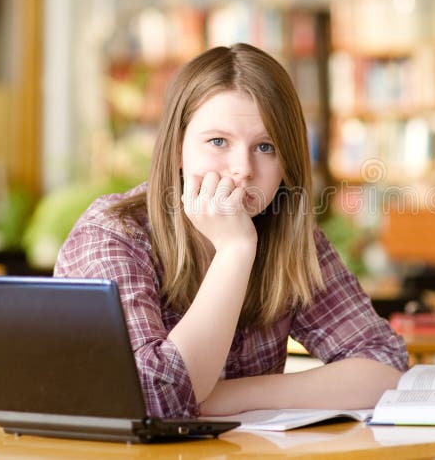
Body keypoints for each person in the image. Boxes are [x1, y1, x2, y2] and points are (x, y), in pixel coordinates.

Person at [54, 43, 407, 418]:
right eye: (218, 142)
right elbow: (152, 399)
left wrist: (232, 396)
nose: (243, 168)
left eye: (266, 147)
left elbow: (384, 367)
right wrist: (235, 251)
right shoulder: (112, 236)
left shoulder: (286, 233)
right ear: (176, 149)